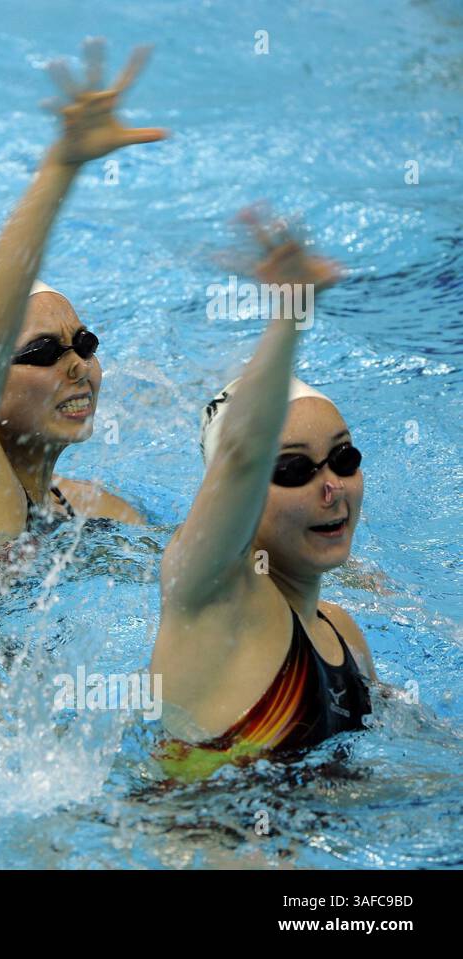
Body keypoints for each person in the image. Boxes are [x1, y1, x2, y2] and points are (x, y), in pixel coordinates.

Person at [0, 40, 159, 554]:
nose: (76, 366)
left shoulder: (86, 508)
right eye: (43, 352)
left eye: (84, 344)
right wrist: (62, 166)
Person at [152, 214, 375, 782]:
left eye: (344, 459)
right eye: (295, 469)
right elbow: (241, 457)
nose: (332, 488)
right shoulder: (214, 601)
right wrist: (290, 318)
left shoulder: (345, 635)